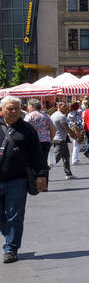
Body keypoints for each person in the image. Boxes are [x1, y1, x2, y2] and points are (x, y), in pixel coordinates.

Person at [0, 96, 48, 261]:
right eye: (10, 109)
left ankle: (11, 248)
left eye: (16, 109)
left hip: (17, 180)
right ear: (2, 110)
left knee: (15, 215)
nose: (14, 112)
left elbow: (37, 154)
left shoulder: (27, 129)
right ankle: (9, 236)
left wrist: (41, 174)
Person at [24, 99, 56, 185]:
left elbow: (25, 129)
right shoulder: (45, 115)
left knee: (33, 161)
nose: (27, 108)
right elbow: (53, 129)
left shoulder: (29, 116)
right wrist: (51, 139)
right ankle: (44, 184)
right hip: (45, 141)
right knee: (44, 162)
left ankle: (34, 182)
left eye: (29, 106)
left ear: (33, 106)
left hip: (33, 142)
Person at [51, 99, 76, 179]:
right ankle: (44, 171)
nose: (66, 108)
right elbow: (66, 128)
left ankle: (68, 174)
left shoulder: (53, 115)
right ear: (59, 106)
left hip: (58, 138)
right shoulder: (61, 116)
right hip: (60, 139)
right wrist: (74, 135)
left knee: (66, 157)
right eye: (64, 106)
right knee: (56, 158)